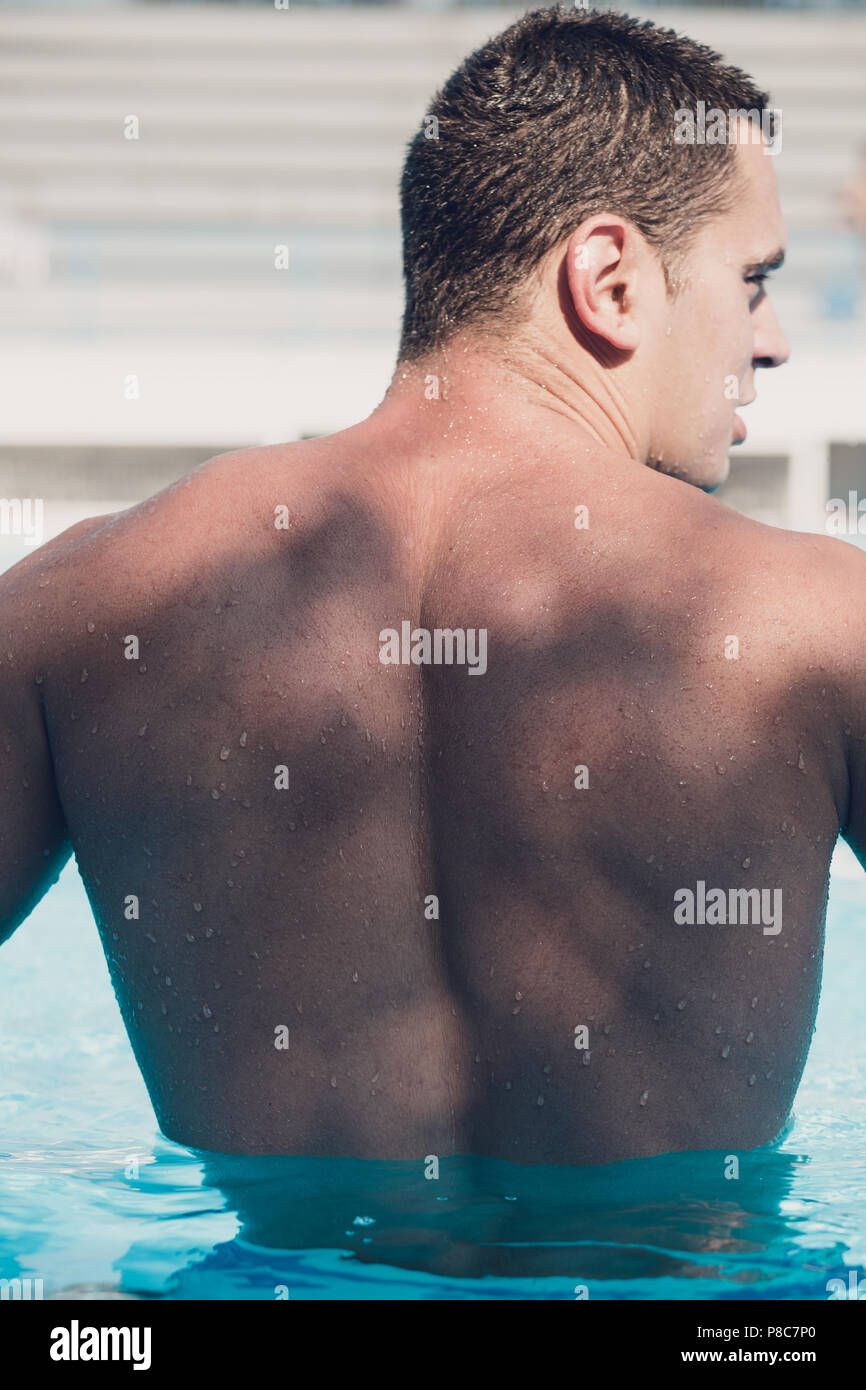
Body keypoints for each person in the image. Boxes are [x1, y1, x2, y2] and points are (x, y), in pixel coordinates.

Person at [1, 6, 864, 1166]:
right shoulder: (813, 621)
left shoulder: (81, 604)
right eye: (750, 278)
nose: (769, 341)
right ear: (608, 278)